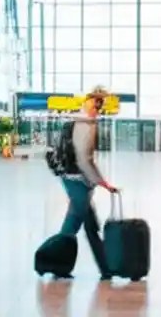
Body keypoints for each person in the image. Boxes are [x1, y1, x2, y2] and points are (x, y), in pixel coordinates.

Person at [57, 87, 118, 280]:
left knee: (76, 225)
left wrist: (97, 182)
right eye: (97, 105)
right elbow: (84, 160)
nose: (97, 109)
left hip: (73, 178)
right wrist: (102, 182)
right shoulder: (86, 125)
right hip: (76, 180)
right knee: (87, 226)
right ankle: (105, 269)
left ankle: (58, 265)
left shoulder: (78, 120)